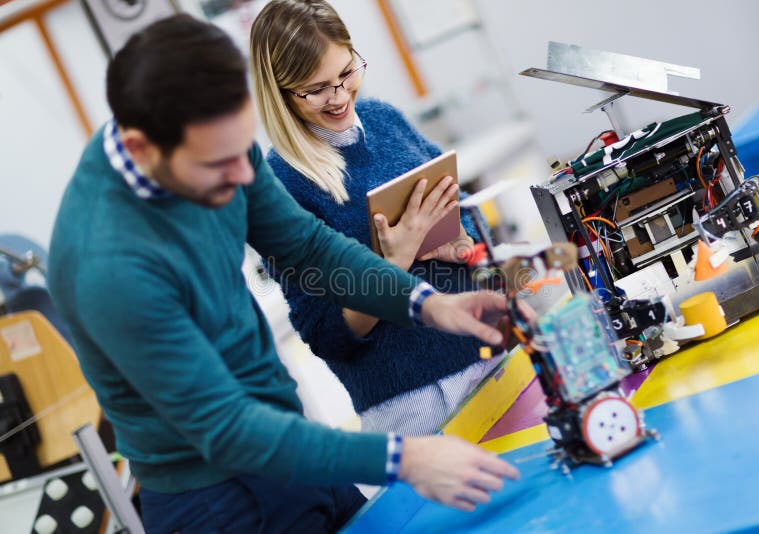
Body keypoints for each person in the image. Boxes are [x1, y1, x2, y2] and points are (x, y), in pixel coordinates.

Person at [48, 14, 520, 533]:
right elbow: (226, 428)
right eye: (222, 166)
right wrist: (405, 460)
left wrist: (427, 303)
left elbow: (308, 247)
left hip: (294, 446)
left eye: (244, 148)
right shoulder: (109, 268)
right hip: (212, 496)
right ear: (142, 150)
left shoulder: (211, 139)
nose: (246, 176)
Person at [250, 0, 504, 436]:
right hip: (417, 404)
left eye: (347, 72)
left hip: (489, 353)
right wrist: (393, 264)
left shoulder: (384, 119)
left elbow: (471, 221)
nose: (340, 96)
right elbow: (324, 333)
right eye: (317, 88)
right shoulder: (281, 185)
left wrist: (460, 241)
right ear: (281, 93)